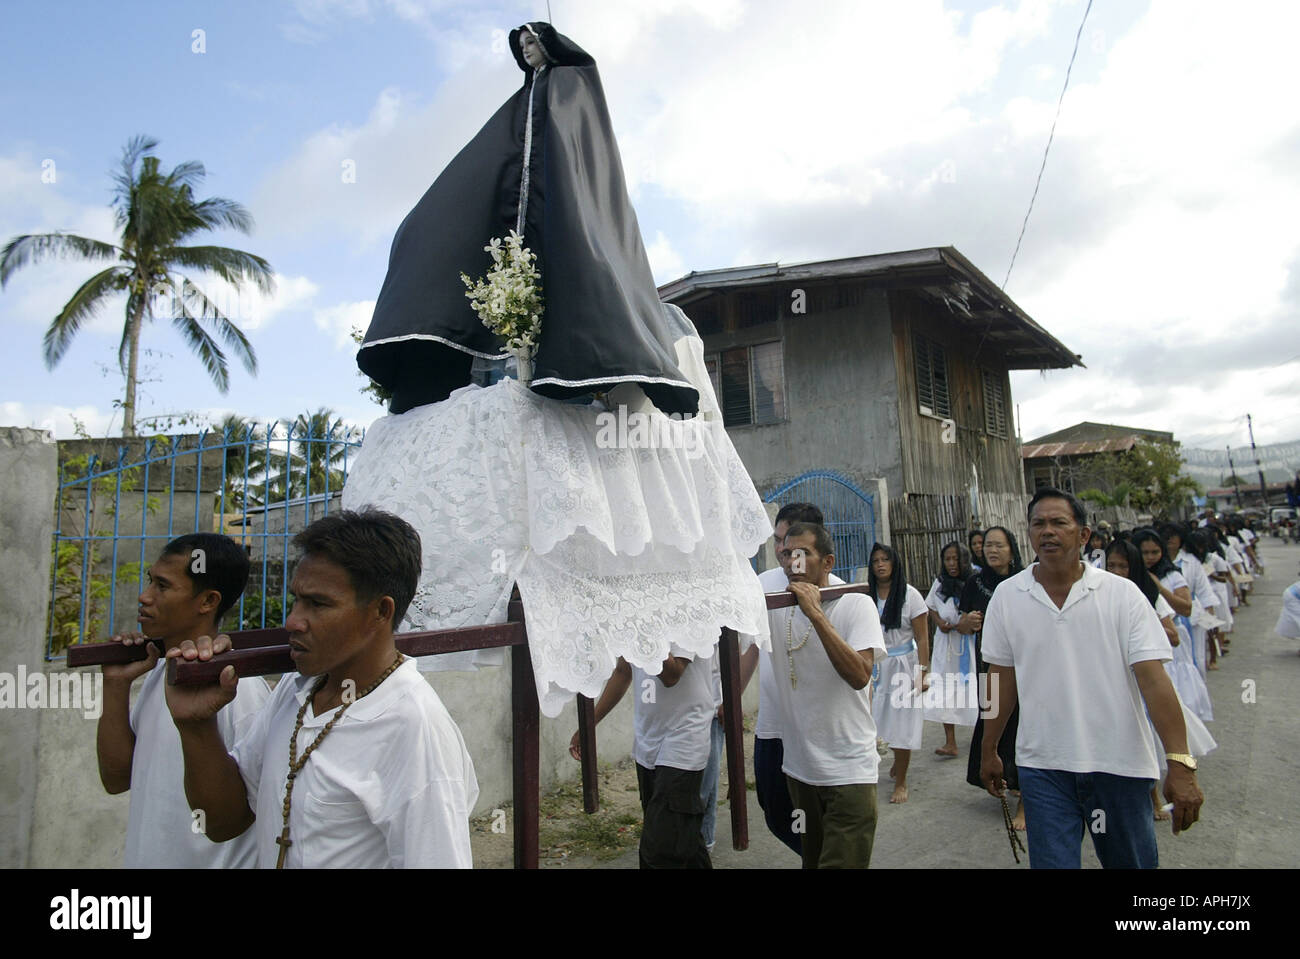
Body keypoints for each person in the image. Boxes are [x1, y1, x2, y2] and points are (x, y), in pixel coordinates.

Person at [356, 21, 698, 416]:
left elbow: (574, 155)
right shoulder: (523, 102)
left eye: (533, 42)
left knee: (579, 267)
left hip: (555, 217)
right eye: (522, 45)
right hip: (517, 226)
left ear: (550, 45)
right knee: (424, 230)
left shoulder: (571, 90)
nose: (528, 50)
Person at [163, 509, 478, 868]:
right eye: (297, 599)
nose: (293, 621)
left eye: (318, 604)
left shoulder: (414, 726)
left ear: (380, 611)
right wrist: (195, 725)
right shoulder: (297, 689)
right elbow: (223, 822)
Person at [979, 488, 1205, 869]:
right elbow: (999, 679)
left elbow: (1155, 682)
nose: (1047, 532)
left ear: (1083, 535)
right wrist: (989, 749)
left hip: (1118, 765)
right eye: (1038, 524)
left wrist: (1180, 762)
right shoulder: (1007, 596)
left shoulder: (1122, 595)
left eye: (1058, 523)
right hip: (1043, 768)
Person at [97, 533, 270, 868]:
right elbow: (116, 779)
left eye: (162, 586)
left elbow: (238, 816)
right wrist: (115, 685)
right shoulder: (159, 673)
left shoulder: (238, 689)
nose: (144, 597)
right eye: (150, 581)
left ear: (207, 601)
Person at [771, 522, 886, 868]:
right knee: (812, 861)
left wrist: (816, 615)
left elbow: (859, 675)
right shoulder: (778, 603)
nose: (794, 562)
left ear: (828, 562)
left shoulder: (855, 604)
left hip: (848, 775)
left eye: (804, 554)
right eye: (789, 553)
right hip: (800, 773)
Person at [736, 501, 844, 855]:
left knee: (817, 815)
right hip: (773, 727)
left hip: (816, 730)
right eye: (779, 541)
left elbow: (857, 669)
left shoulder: (841, 594)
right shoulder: (764, 586)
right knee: (777, 812)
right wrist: (731, 696)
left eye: (790, 541)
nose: (782, 549)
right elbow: (753, 646)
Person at [568, 649, 716, 869]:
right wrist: (590, 723)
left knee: (658, 852)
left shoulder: (685, 615)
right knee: (684, 844)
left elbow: (671, 674)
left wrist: (643, 627)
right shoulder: (635, 616)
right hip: (648, 741)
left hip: (683, 739)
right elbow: (623, 671)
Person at [1104, 539, 1216, 820]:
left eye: (1123, 566)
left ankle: (1156, 795)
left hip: (1144, 678)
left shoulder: (1148, 594)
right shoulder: (1100, 594)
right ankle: (1146, 794)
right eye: (1111, 565)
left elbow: (1173, 636)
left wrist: (1144, 623)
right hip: (1114, 678)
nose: (1117, 571)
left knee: (1150, 737)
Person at [960, 525, 1026, 830]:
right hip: (986, 663)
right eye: (988, 545)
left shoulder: (1025, 581)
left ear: (1012, 549)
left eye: (999, 545)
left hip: (1024, 664)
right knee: (995, 717)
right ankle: (1001, 774)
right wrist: (967, 622)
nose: (992, 550)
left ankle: (1025, 793)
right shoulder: (975, 582)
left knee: (1023, 721)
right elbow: (961, 623)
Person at [866, 543, 930, 803]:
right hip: (874, 668)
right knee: (872, 722)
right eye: (876, 560)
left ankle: (901, 781)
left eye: (885, 560)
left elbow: (923, 638)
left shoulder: (910, 595)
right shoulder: (866, 595)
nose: (880, 565)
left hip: (903, 665)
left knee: (902, 726)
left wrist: (922, 672)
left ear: (895, 563)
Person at [923, 541, 978, 754]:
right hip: (946, 645)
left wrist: (966, 624)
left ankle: (979, 739)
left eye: (956, 559)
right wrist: (939, 622)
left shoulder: (974, 582)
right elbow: (931, 606)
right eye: (947, 559)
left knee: (973, 689)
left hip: (968, 644)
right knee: (945, 689)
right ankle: (950, 741)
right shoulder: (940, 583)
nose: (952, 563)